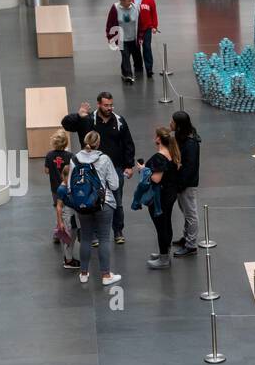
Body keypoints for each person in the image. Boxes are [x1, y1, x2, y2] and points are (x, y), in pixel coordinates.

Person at [61, 92, 136, 246]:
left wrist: (129, 165)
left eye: (111, 105)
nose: (109, 108)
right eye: (106, 105)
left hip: (114, 167)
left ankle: (118, 231)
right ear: (99, 105)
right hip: (91, 170)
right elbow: (66, 124)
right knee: (92, 201)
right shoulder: (88, 120)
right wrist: (78, 115)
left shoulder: (119, 121)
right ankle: (94, 234)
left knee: (117, 201)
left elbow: (128, 143)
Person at [67, 131, 122, 288]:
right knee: (104, 238)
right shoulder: (104, 159)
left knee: (85, 237)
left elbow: (71, 185)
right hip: (103, 204)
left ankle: (83, 273)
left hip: (82, 204)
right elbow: (114, 185)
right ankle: (106, 275)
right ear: (98, 143)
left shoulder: (75, 159)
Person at [137, 125, 181, 270]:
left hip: (159, 197)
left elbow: (156, 179)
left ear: (158, 139)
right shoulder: (172, 153)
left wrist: (143, 170)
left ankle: (163, 258)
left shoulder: (159, 158)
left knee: (161, 226)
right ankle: (165, 252)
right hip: (170, 194)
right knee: (166, 223)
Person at [171, 110, 201, 257]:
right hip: (182, 182)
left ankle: (191, 245)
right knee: (186, 212)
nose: (170, 124)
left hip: (187, 184)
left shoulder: (190, 143)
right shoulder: (182, 137)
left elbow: (190, 167)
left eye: (173, 122)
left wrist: (181, 184)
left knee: (190, 214)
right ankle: (186, 237)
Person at [106, 0, 143, 85]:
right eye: (127, 1)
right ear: (121, 1)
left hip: (133, 37)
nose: (130, 2)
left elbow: (140, 23)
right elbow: (110, 23)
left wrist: (140, 36)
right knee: (125, 56)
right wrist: (110, 37)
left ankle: (137, 70)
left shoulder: (135, 8)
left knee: (137, 56)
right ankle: (128, 75)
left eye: (130, 0)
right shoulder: (115, 8)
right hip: (122, 38)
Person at [44, 129, 72, 245]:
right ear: (66, 143)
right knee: (68, 208)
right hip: (68, 186)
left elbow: (46, 171)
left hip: (55, 188)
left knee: (58, 208)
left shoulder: (49, 155)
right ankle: (67, 229)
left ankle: (58, 231)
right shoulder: (70, 156)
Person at [131, 0, 159, 79]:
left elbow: (153, 13)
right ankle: (138, 67)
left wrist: (154, 26)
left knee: (147, 47)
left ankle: (149, 69)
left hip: (146, 27)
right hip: (134, 28)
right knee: (136, 48)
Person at [55, 162, 80, 271]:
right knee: (68, 238)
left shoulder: (72, 185)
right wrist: (60, 222)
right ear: (63, 176)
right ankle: (68, 260)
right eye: (68, 177)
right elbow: (59, 207)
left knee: (73, 236)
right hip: (68, 216)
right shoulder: (61, 189)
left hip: (73, 215)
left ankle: (69, 258)